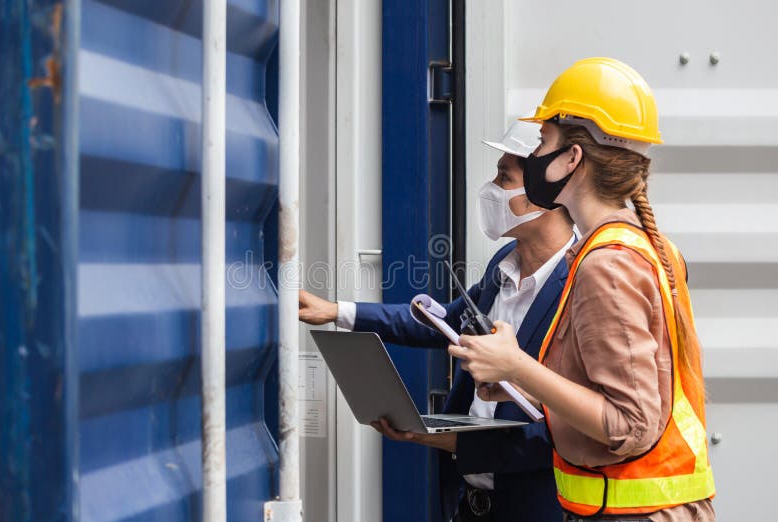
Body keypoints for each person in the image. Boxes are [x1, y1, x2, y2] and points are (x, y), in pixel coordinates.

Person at [449, 57, 716, 521]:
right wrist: (522, 390)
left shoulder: (607, 264)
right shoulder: (631, 246)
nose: (533, 155)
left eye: (544, 141)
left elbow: (628, 424)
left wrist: (518, 367)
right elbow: (616, 390)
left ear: (572, 158)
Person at [300, 119, 574, 521]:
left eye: (504, 176)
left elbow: (566, 433)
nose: (491, 188)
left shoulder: (580, 285)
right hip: (472, 505)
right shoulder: (505, 265)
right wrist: (337, 311)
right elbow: (443, 322)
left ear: (542, 193)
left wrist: (439, 439)